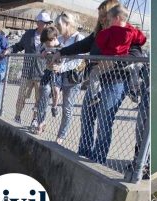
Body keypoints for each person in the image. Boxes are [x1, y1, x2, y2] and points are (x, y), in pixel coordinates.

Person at [56, 0, 144, 165]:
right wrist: (60, 52)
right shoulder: (99, 33)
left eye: (104, 15)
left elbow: (136, 55)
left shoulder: (127, 32)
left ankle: (97, 159)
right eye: (100, 15)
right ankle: (83, 153)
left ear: (113, 15)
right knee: (86, 116)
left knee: (104, 119)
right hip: (96, 81)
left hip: (116, 81)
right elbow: (81, 46)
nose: (101, 19)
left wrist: (113, 63)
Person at [32, 13, 83, 139]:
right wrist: (43, 52)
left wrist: (61, 67)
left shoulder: (79, 38)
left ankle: (61, 136)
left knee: (67, 108)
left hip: (70, 77)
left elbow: (78, 60)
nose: (57, 27)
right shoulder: (57, 38)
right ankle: (41, 121)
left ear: (67, 24)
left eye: (59, 25)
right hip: (54, 73)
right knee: (44, 92)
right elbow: (42, 46)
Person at [5, 11, 52, 124]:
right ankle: (17, 116)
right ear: (38, 23)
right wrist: (10, 49)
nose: (46, 25)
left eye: (48, 23)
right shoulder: (29, 34)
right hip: (27, 73)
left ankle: (34, 119)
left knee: (38, 99)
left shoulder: (50, 36)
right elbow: (19, 46)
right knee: (21, 96)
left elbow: (56, 49)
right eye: (44, 23)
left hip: (41, 74)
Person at [29, 26, 60, 134]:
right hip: (47, 71)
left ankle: (55, 106)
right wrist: (43, 53)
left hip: (57, 73)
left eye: (47, 43)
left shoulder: (60, 47)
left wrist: (56, 58)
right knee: (42, 96)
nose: (46, 45)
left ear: (54, 38)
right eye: (45, 43)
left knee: (56, 90)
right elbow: (40, 53)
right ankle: (40, 122)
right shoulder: (45, 46)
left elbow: (64, 58)